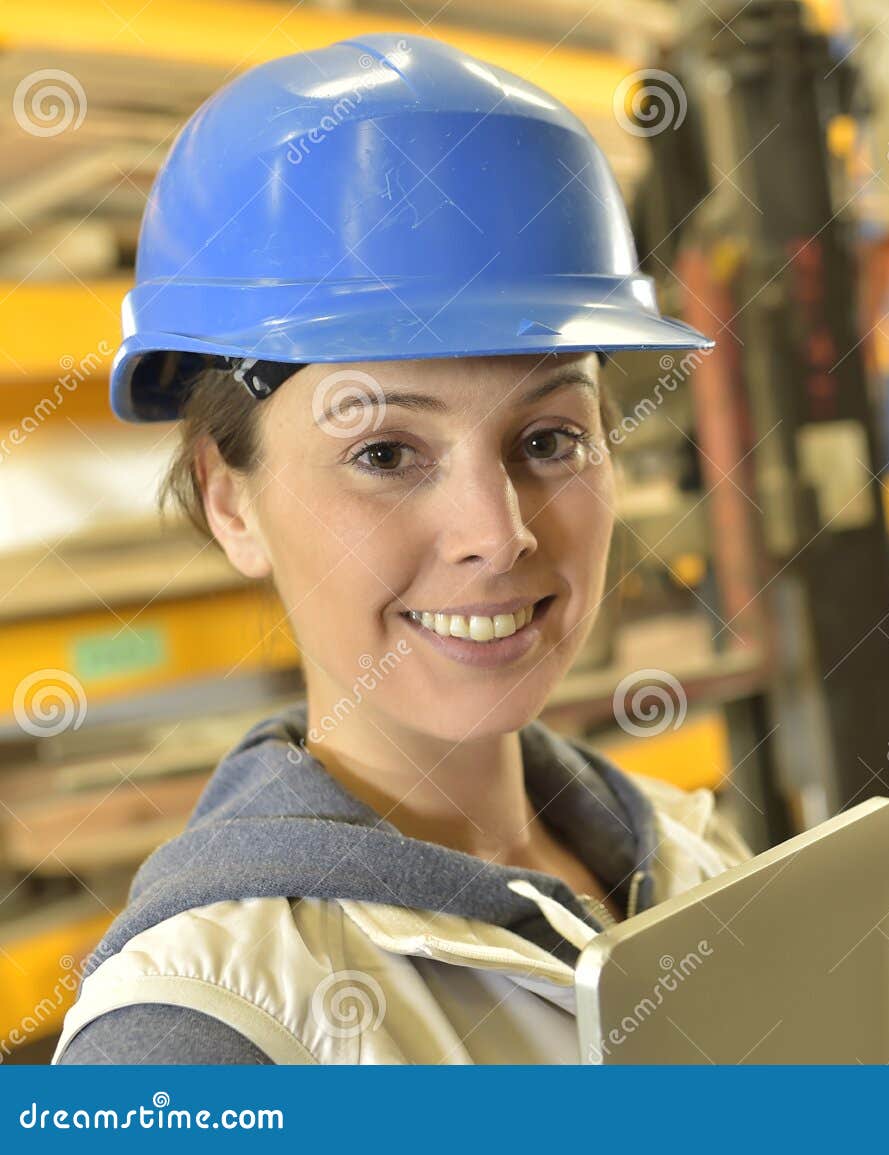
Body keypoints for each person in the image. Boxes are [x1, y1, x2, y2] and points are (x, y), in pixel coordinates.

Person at [52, 34, 753, 1065]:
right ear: (231, 501)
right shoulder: (194, 1036)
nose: (498, 534)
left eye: (549, 440)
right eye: (384, 453)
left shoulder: (695, 857)